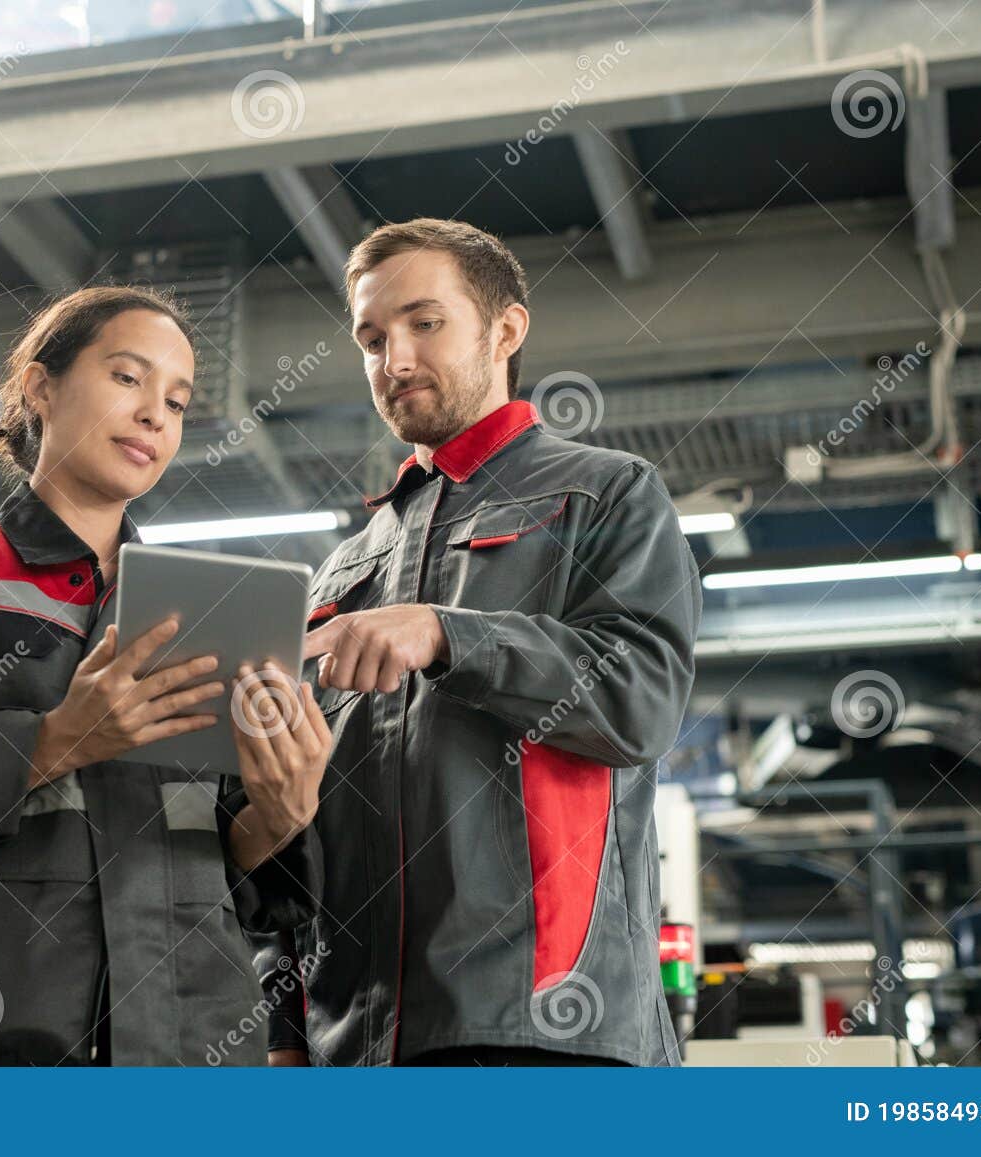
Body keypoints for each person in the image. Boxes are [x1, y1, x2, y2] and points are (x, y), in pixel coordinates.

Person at [0, 284, 329, 1065]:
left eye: (179, 401)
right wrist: (55, 740)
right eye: (128, 378)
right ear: (41, 386)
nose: (158, 414)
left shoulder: (211, 612)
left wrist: (282, 811)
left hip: (187, 1053)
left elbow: (241, 875)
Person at [260, 218, 701, 1066]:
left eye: (425, 323)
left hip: (548, 1030)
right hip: (355, 1046)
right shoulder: (341, 571)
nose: (395, 361)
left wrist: (447, 632)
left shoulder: (605, 495)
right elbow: (293, 818)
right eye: (372, 337)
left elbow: (640, 701)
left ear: (506, 330)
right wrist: (285, 1022)